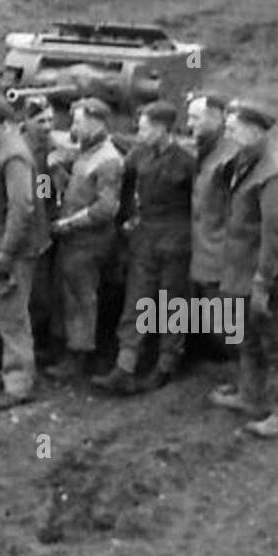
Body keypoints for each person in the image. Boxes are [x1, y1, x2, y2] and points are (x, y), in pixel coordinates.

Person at [208, 100, 278, 438]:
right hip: (247, 272)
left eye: (233, 126)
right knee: (250, 338)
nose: (226, 130)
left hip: (274, 278)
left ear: (254, 130)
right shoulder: (248, 160)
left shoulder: (273, 174)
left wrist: (263, 283)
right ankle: (250, 396)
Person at [95, 100, 196, 395]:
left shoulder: (186, 161)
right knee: (137, 301)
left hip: (177, 239)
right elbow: (125, 188)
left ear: (163, 128)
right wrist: (126, 221)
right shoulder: (138, 155)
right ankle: (124, 366)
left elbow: (201, 204)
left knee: (172, 304)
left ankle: (166, 365)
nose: (141, 132)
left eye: (146, 127)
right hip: (146, 237)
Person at [0, 94, 49, 407]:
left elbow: (23, 207)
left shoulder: (12, 154)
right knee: (6, 314)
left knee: (13, 317)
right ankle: (11, 372)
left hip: (12, 251)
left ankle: (18, 385)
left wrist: (5, 252)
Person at [47, 98, 123, 383]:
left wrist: (68, 223)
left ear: (96, 121)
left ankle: (79, 357)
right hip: (76, 240)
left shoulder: (108, 159)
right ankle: (68, 350)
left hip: (89, 242)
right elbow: (77, 191)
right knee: (68, 295)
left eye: (78, 121)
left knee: (81, 299)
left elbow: (106, 208)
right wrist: (56, 172)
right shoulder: (86, 153)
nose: (74, 126)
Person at [187, 94, 239, 347]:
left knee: (223, 330)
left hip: (222, 252)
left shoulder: (230, 158)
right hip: (206, 250)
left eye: (195, 118)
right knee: (211, 323)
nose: (189, 124)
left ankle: (238, 368)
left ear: (216, 119)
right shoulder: (205, 150)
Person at [20, 96, 63, 364]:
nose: (47, 126)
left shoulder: (48, 149)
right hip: (20, 231)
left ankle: (41, 345)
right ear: (26, 121)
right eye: (40, 121)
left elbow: (45, 193)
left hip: (40, 231)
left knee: (43, 294)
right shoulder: (19, 149)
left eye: (49, 120)